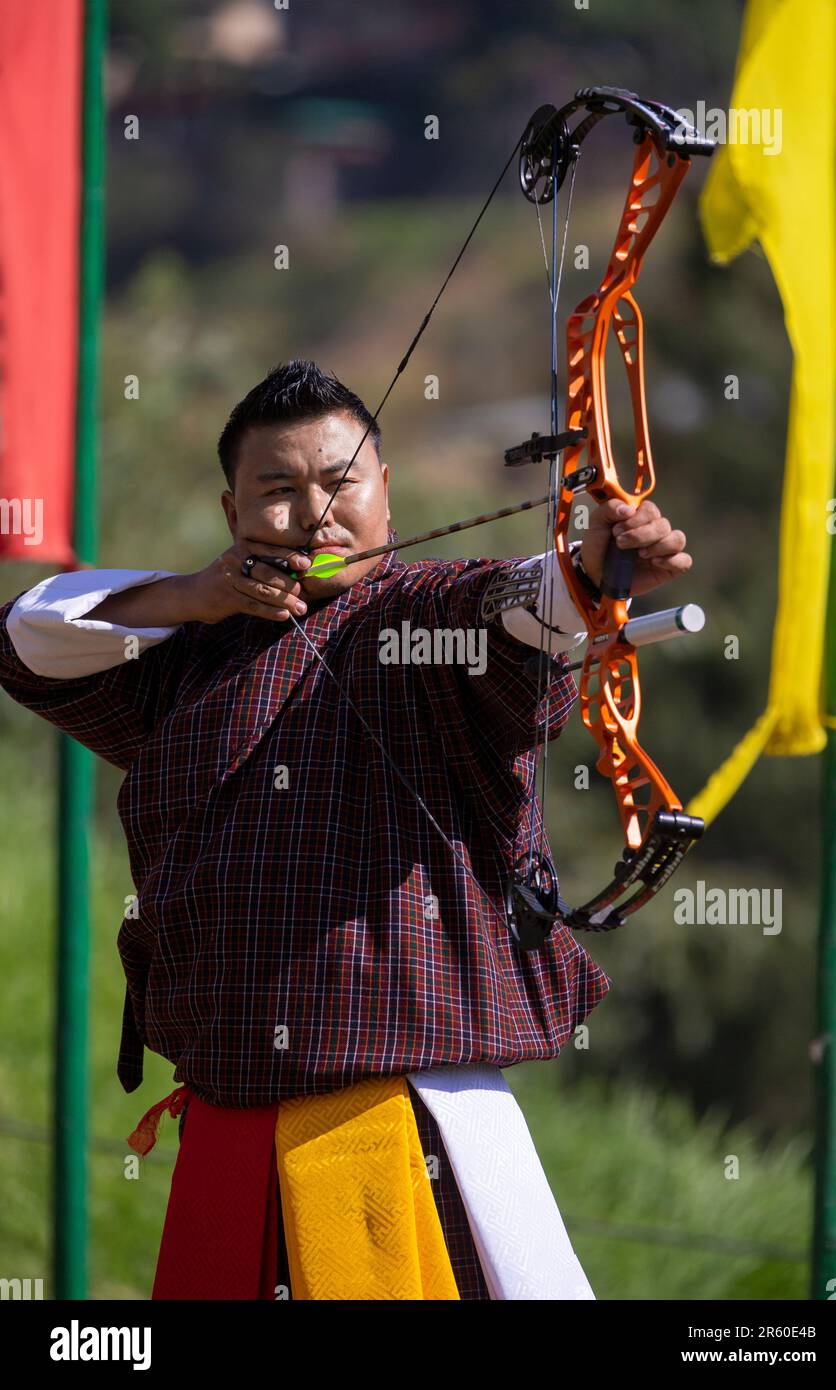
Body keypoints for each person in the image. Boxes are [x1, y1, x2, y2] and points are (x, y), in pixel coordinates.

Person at [0, 359, 693, 1300]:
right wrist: (190, 597)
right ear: (230, 511)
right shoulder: (181, 660)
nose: (313, 515)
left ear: (386, 491)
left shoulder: (418, 619)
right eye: (277, 491)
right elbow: (27, 640)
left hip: (402, 1125)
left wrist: (588, 572)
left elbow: (510, 610)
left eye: (339, 483)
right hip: (227, 1122)